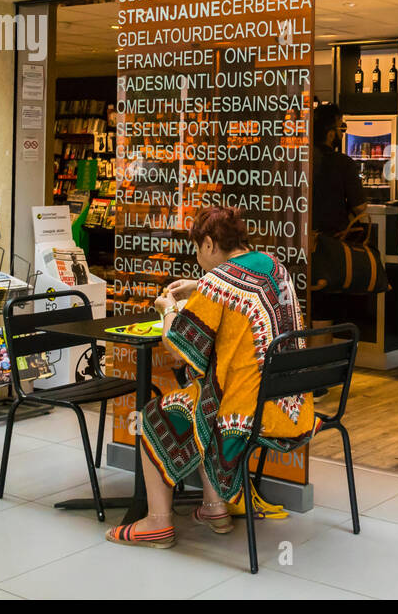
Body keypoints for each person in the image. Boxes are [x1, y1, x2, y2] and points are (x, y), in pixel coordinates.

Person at [105, 206, 317, 549]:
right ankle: (214, 507)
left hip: (246, 413)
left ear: (207, 243)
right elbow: (238, 294)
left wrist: (168, 309)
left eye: (197, 249)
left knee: (156, 415)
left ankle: (158, 522)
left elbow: (177, 348)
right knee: (203, 397)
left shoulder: (218, 282)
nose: (198, 256)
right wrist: (199, 286)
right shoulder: (273, 265)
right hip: (292, 406)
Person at [310, 104, 369, 341]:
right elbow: (361, 208)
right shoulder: (343, 164)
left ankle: (296, 371)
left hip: (294, 247)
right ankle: (318, 374)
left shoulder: (295, 158)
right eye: (341, 127)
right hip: (327, 251)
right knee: (323, 317)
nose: (342, 132)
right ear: (331, 132)